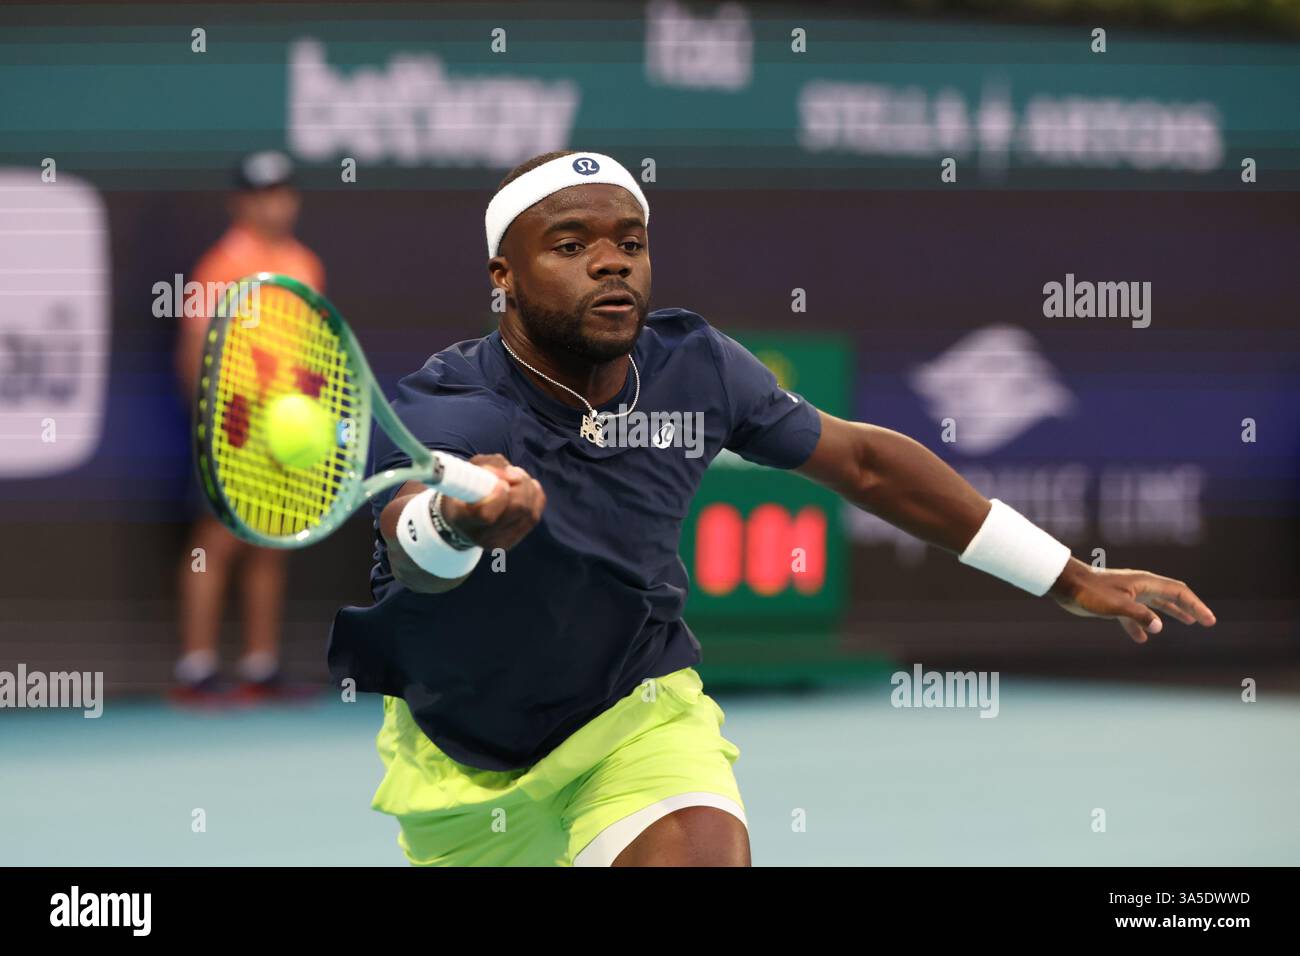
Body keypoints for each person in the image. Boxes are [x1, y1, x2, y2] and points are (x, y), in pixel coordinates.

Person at [328, 150, 1216, 866]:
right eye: (570, 246)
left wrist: (1063, 574)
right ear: (503, 278)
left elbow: (866, 465)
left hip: (634, 719)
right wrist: (460, 525)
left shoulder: (695, 366)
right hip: (462, 770)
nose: (610, 262)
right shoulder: (450, 408)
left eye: (630, 242)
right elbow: (410, 541)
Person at [174, 151, 326, 701]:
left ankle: (260, 668)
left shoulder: (305, 264)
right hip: (234, 427)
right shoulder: (220, 264)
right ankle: (196, 670)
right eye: (261, 193)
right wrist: (213, 419)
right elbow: (193, 346)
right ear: (240, 202)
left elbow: (313, 352)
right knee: (215, 541)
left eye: (282, 191)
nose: (274, 203)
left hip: (289, 430)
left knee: (272, 540)